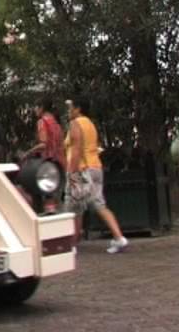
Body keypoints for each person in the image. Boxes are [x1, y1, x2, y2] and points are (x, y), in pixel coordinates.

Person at [64, 98, 128, 254]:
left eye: (70, 108)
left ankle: (71, 245)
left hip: (81, 169)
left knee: (74, 207)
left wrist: (72, 172)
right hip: (95, 167)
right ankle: (119, 237)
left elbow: (77, 147)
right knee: (99, 204)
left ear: (78, 109)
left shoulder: (75, 123)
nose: (68, 111)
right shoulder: (90, 124)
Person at [31, 98, 66, 168]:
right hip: (61, 163)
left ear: (41, 108)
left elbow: (43, 144)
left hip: (49, 164)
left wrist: (29, 152)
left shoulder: (42, 121)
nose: (34, 110)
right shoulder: (56, 122)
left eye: (36, 107)